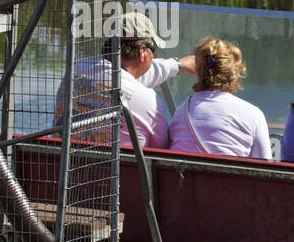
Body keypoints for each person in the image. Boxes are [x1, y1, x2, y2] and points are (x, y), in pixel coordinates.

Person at [57, 10, 195, 150]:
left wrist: (177, 65)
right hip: (118, 171)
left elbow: (129, 78)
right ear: (142, 52)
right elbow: (163, 150)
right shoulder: (149, 101)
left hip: (64, 163)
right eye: (153, 48)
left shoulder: (77, 69)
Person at [168, 37, 272, 159]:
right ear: (233, 73)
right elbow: (264, 168)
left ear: (198, 72)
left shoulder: (182, 111)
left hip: (183, 178)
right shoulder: (254, 115)